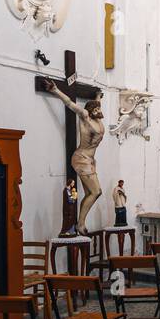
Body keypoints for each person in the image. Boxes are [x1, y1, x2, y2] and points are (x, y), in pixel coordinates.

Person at [43, 80, 105, 233]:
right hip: (81, 158)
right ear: (89, 111)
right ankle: (81, 224)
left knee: (90, 193)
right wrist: (55, 90)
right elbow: (70, 103)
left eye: (99, 108)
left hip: (90, 160)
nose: (98, 110)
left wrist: (97, 96)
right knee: (97, 192)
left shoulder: (97, 119)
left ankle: (80, 224)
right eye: (95, 109)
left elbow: (96, 104)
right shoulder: (85, 117)